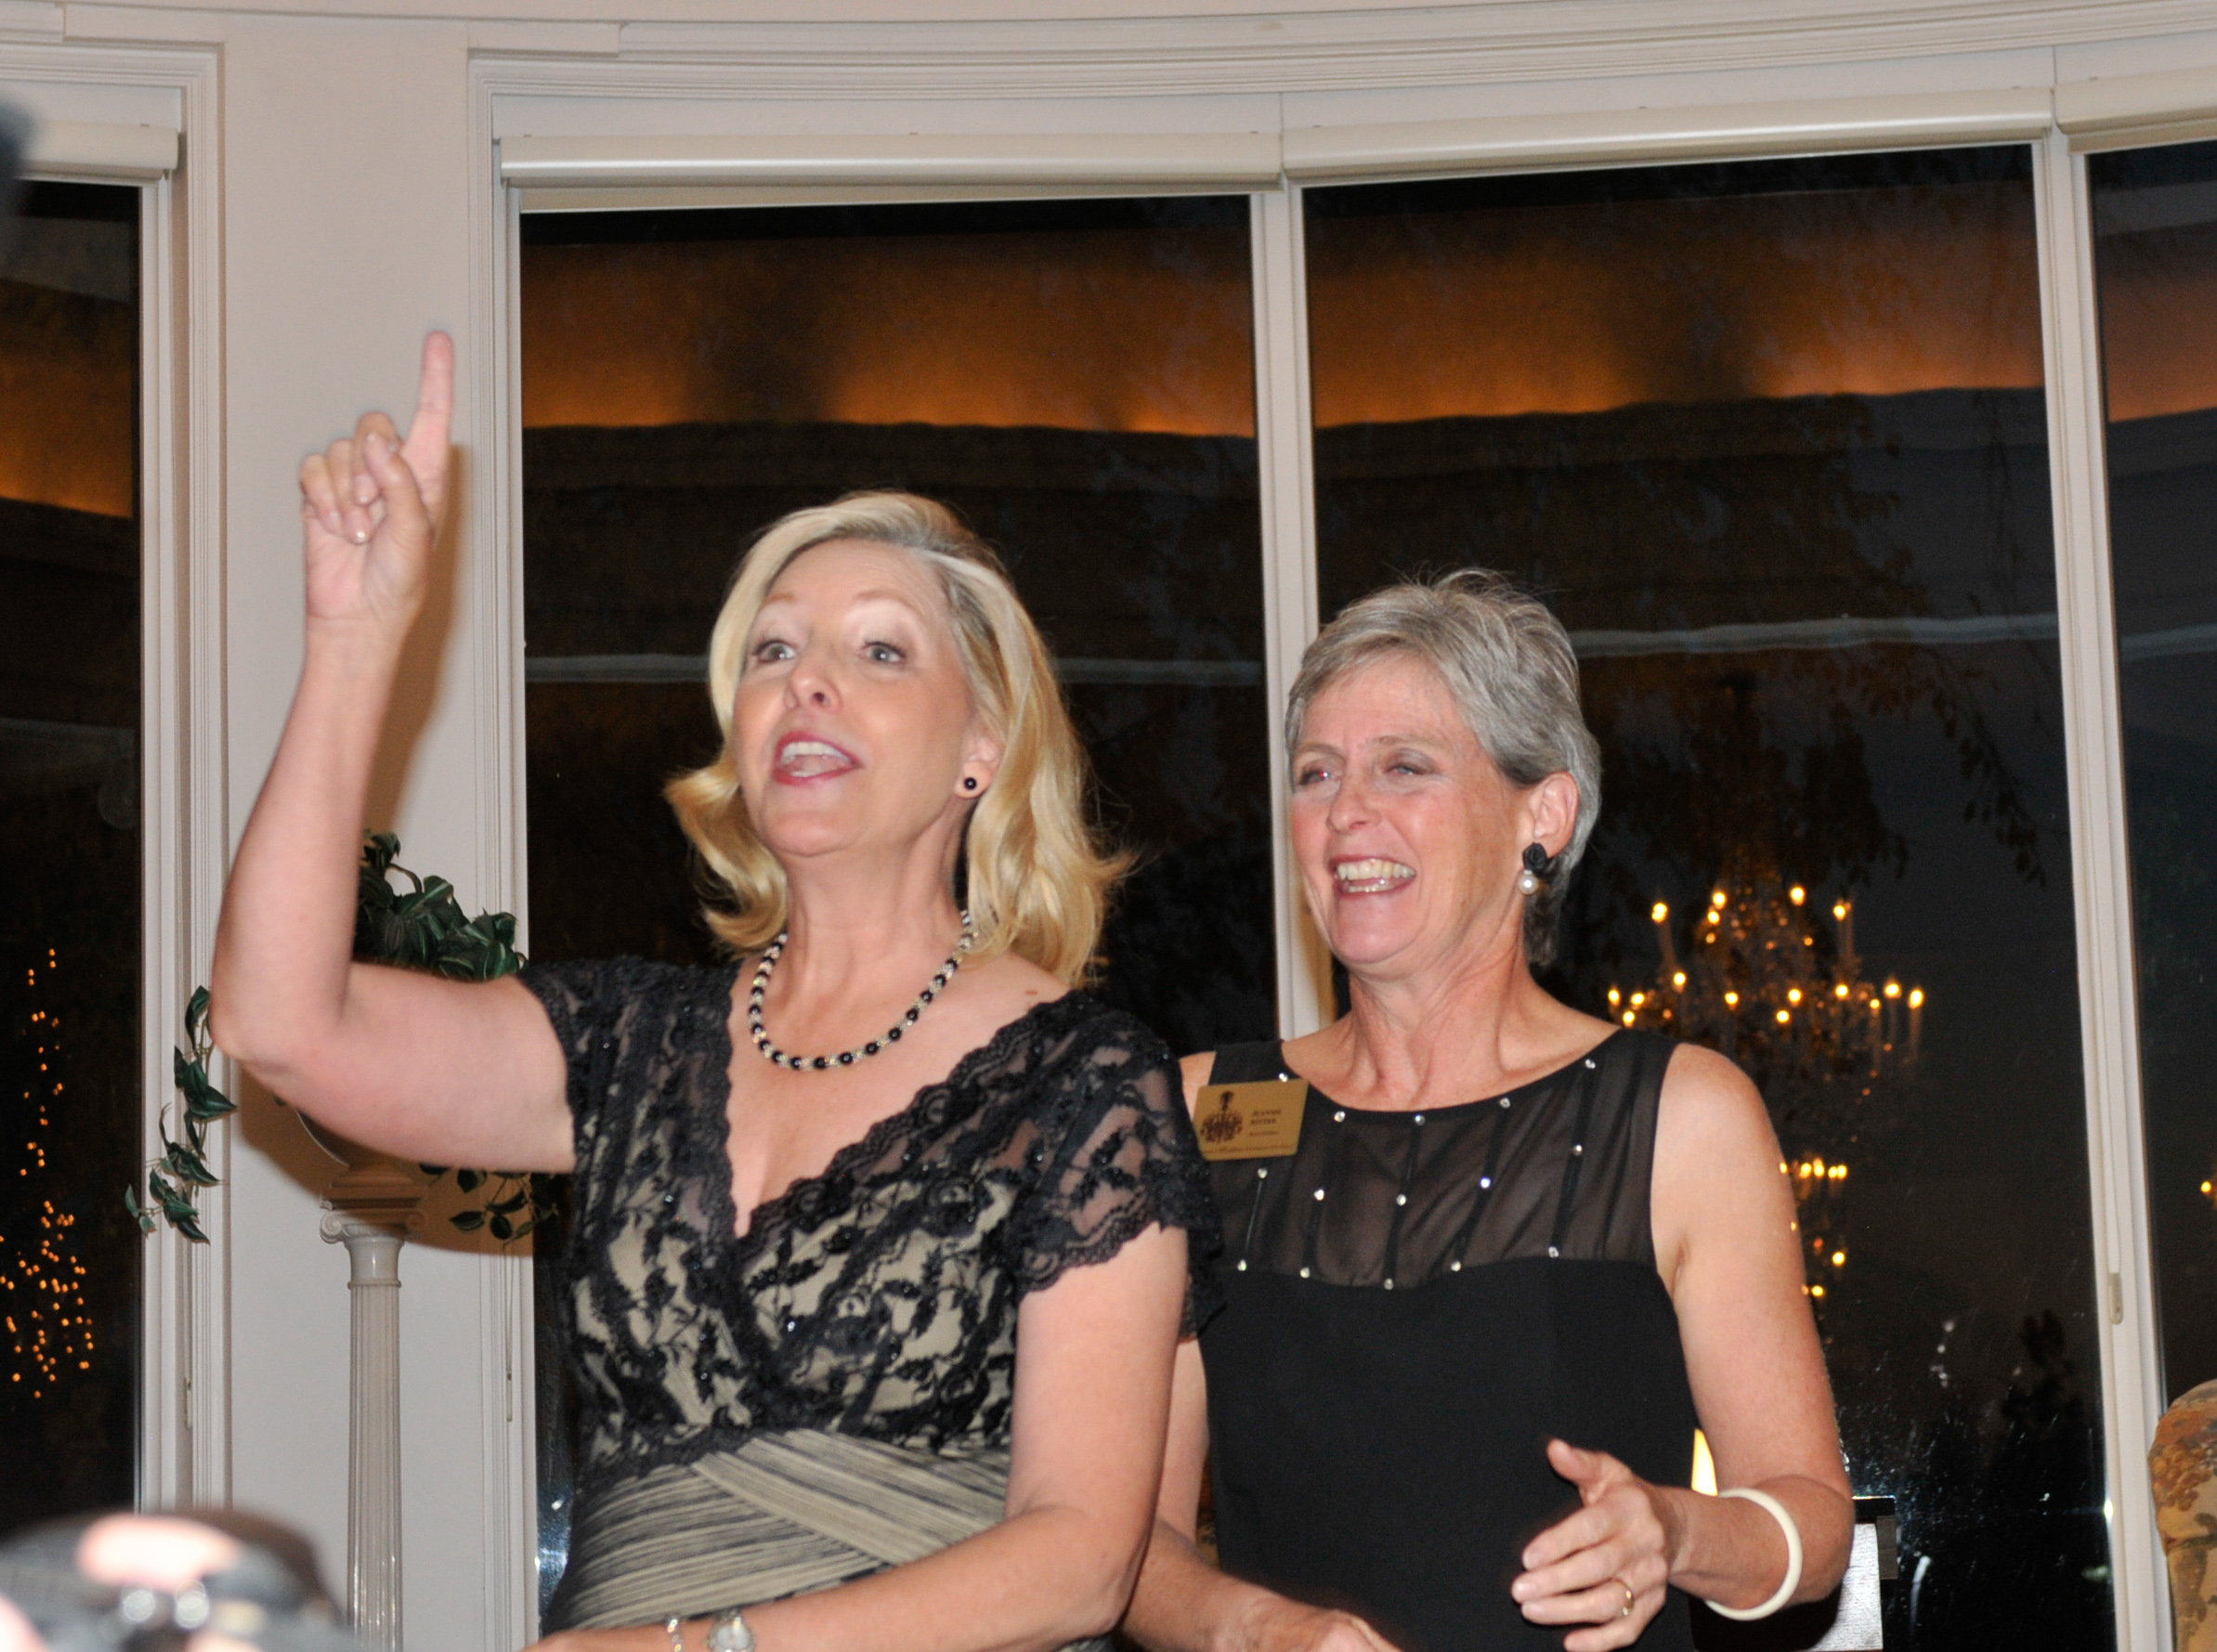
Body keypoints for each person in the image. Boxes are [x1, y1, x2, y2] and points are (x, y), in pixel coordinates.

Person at [210, 334, 1219, 1652]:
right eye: (772, 650)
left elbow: (1081, 1558)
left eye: (879, 651)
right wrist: (354, 642)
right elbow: (279, 1022)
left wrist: (710, 1648)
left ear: (981, 745)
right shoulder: (629, 1044)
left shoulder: (1081, 1078)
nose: (806, 680)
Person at [1123, 572, 1854, 1652]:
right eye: (1316, 773)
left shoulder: (1679, 1115)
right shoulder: (1196, 1113)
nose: (1344, 812)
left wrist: (1671, 1530)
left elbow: (1812, 1526)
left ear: (1539, 817)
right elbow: (1122, 1544)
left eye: (1403, 766)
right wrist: (1261, 1632)